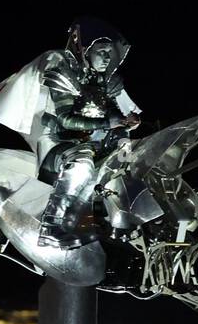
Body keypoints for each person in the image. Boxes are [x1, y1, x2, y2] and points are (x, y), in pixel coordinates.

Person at [35, 20, 141, 248]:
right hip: (61, 144)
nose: (107, 57)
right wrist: (106, 123)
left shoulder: (105, 81)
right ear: (85, 50)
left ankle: (119, 221)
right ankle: (51, 227)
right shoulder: (63, 73)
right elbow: (65, 119)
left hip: (96, 144)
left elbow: (113, 113)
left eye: (109, 52)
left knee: (129, 155)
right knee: (82, 165)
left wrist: (126, 122)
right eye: (101, 51)